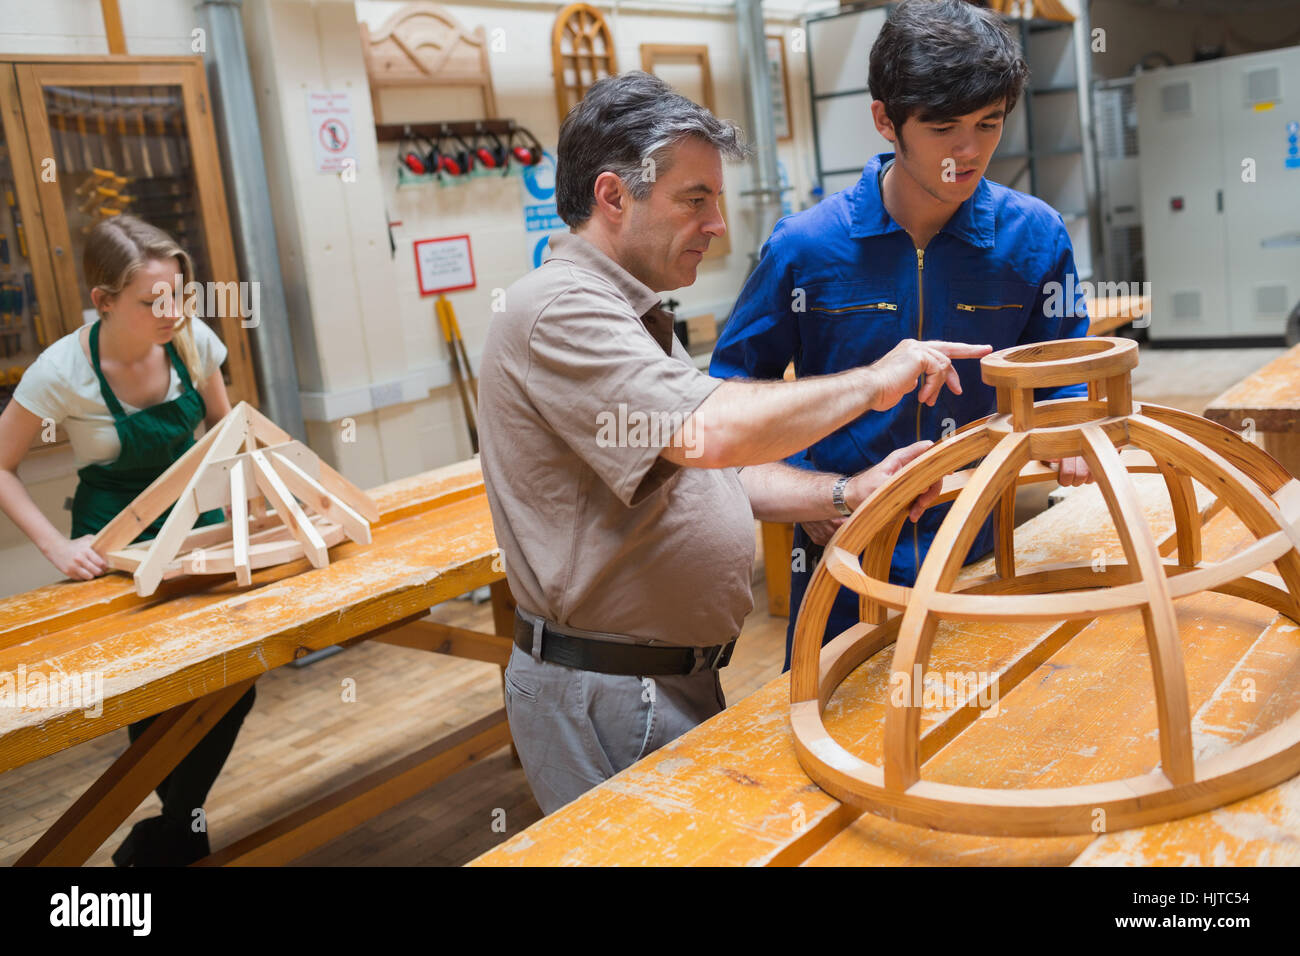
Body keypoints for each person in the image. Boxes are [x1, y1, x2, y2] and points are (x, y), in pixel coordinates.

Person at [478, 71, 991, 814]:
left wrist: (843, 493)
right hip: (607, 686)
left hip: (657, 676)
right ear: (614, 196)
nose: (717, 224)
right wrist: (878, 380)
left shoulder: (631, 309)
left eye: (715, 199)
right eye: (695, 200)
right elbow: (708, 433)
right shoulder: (558, 310)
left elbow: (695, 474)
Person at [711, 0, 1095, 669]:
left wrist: (1071, 423)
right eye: (943, 127)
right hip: (845, 552)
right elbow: (732, 400)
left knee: (988, 729)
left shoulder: (1033, 237)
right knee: (837, 727)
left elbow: (1063, 366)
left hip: (985, 545)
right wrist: (809, 490)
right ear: (885, 119)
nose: (969, 152)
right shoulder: (806, 247)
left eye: (989, 123)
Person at [0, 215, 255, 865]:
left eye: (179, 296)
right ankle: (179, 832)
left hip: (191, 526)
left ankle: (172, 831)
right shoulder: (60, 371)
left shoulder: (192, 341)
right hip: (112, 544)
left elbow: (227, 429)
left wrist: (251, 502)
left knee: (236, 679)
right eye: (152, 302)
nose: (171, 313)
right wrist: (58, 549)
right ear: (104, 301)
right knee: (153, 693)